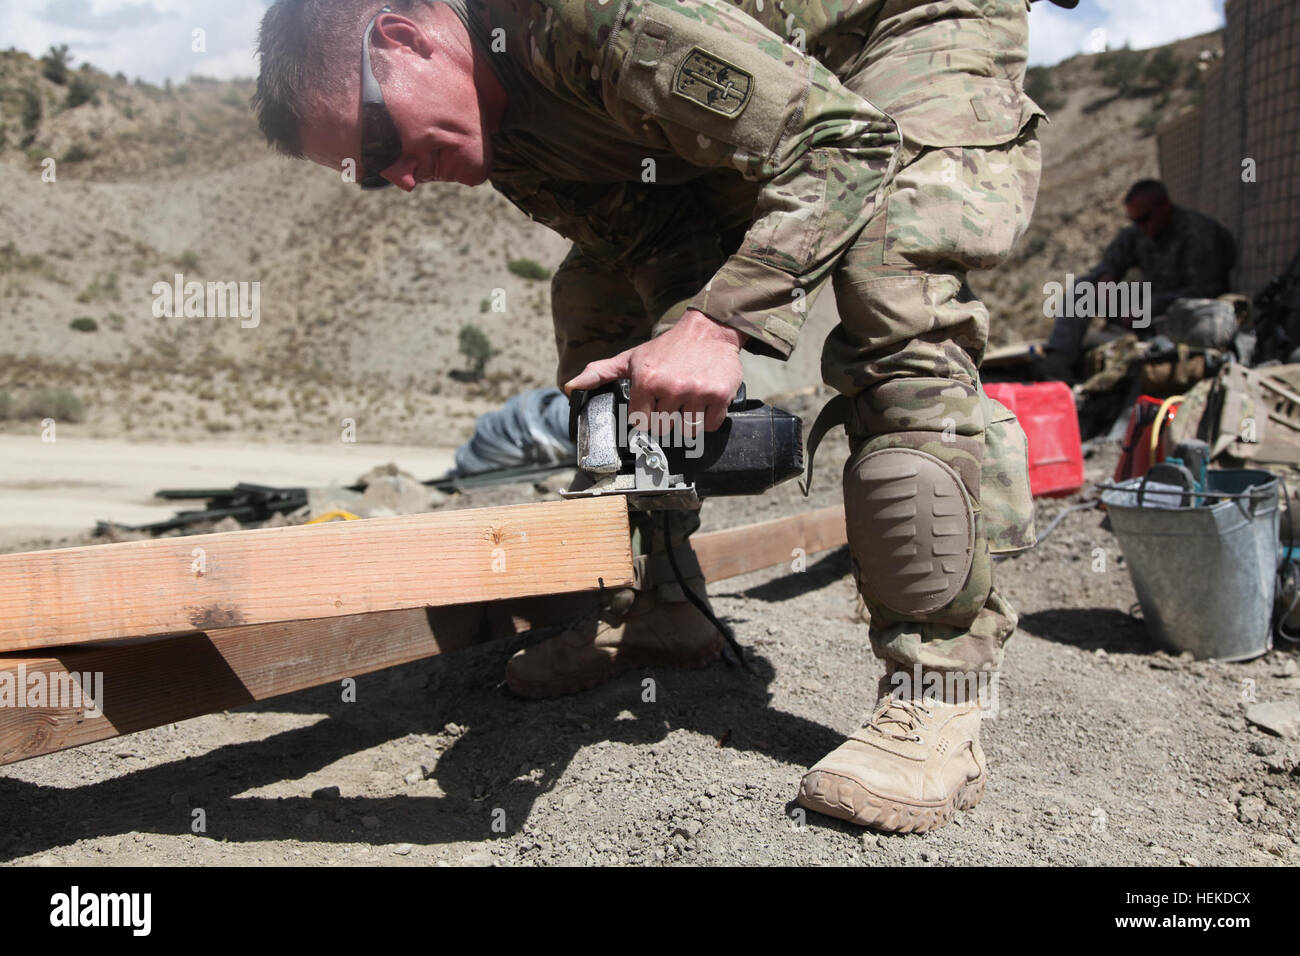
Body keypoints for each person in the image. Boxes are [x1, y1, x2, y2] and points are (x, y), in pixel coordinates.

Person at [254, 0, 1045, 834]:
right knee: (598, 297)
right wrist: (672, 358)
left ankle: (938, 690)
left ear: (403, 38)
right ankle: (653, 601)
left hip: (903, 25)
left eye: (381, 147)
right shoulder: (508, 140)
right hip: (790, 92)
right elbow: (657, 241)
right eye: (375, 177)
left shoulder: (576, 18)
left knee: (893, 284)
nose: (401, 179)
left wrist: (721, 325)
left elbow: (843, 144)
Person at [1039, 179, 1236, 380]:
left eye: (1144, 219)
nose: (1140, 227)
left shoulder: (1199, 235)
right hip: (1142, 308)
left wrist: (1151, 305)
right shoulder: (1138, 233)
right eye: (1135, 221)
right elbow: (1112, 260)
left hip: (1182, 313)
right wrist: (1106, 278)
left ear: (1164, 207)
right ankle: (1059, 362)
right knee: (1084, 288)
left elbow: (1208, 290)